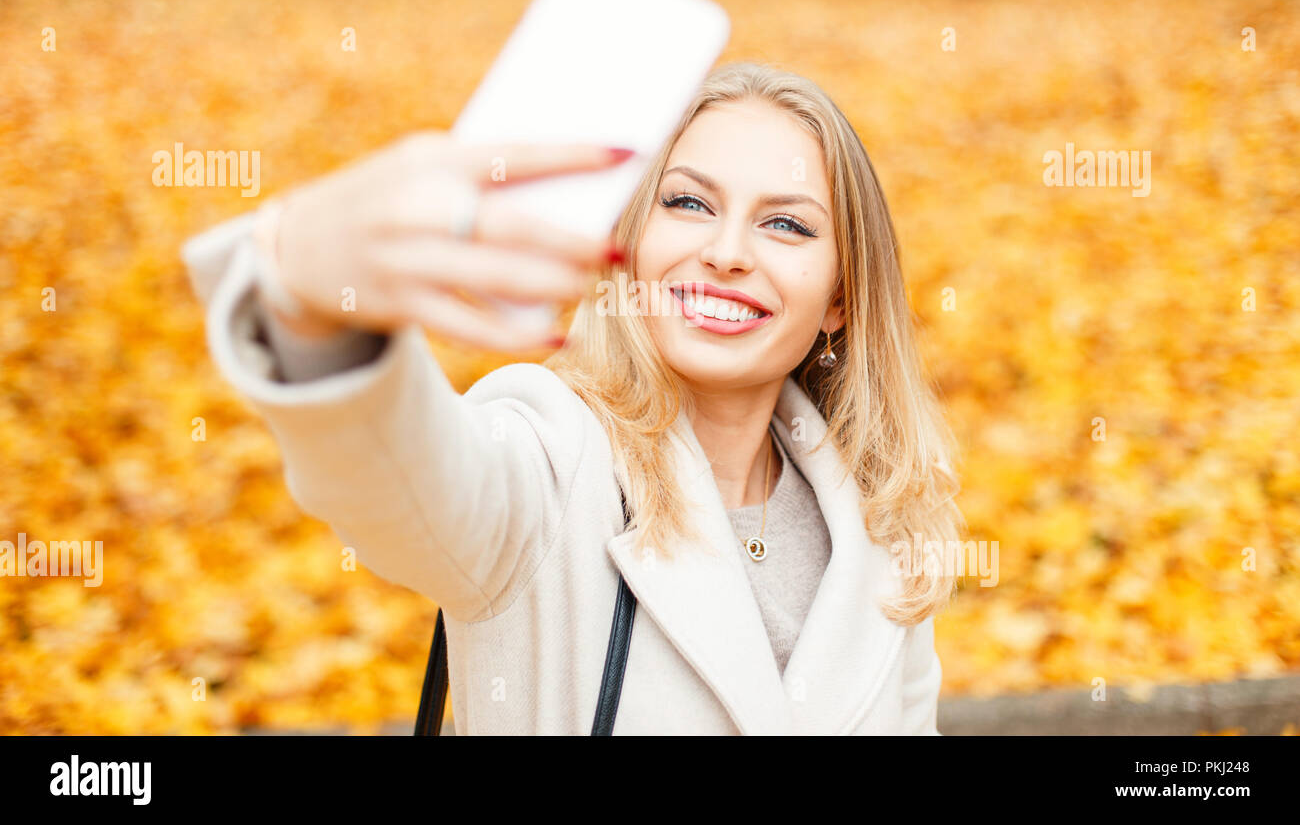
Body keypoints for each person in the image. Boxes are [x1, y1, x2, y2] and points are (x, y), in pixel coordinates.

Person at [182, 61, 965, 734]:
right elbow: (400, 484)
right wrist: (308, 293)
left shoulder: (880, 520)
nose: (726, 253)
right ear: (629, 243)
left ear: (839, 299)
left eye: (787, 225)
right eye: (688, 204)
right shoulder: (549, 453)